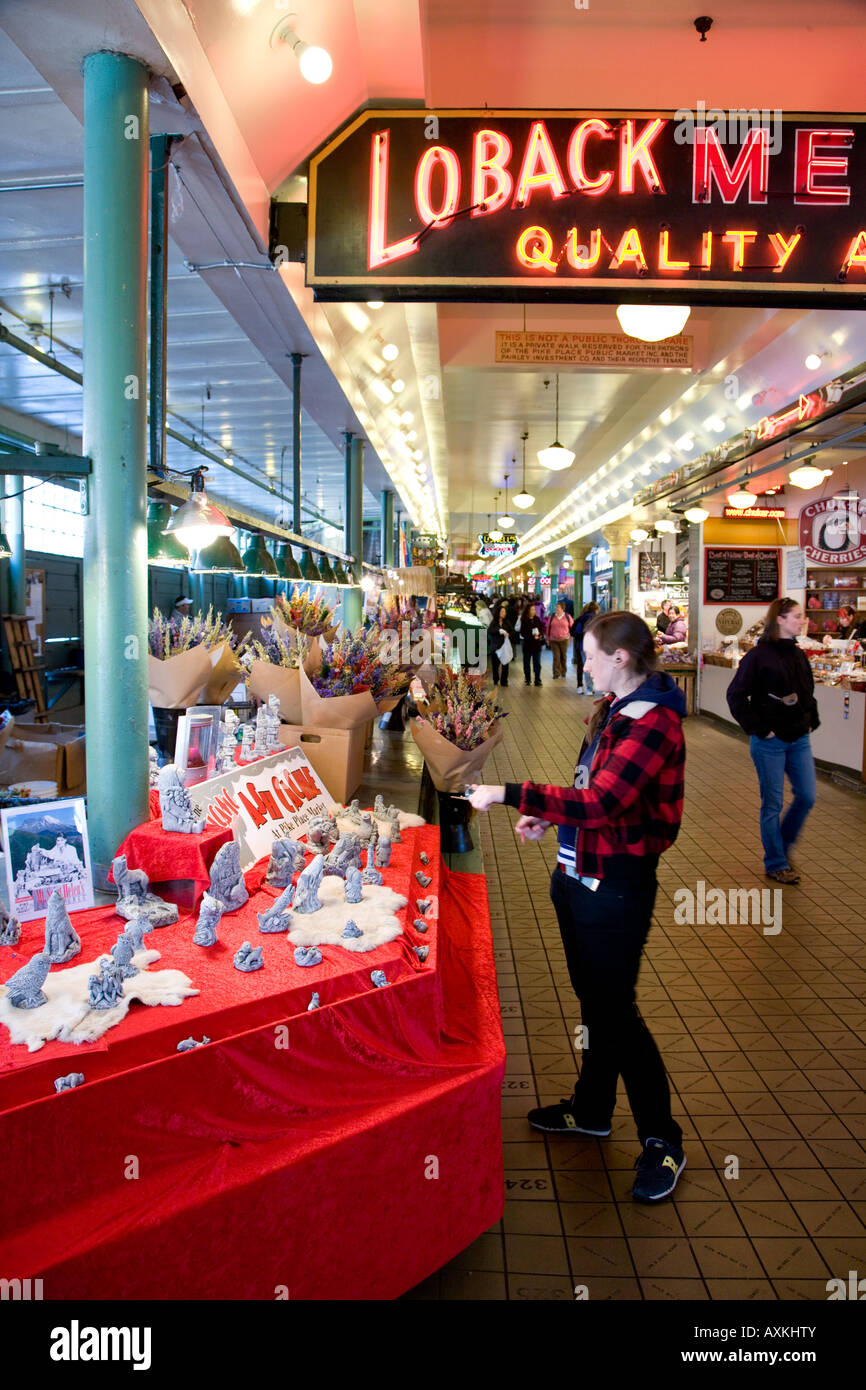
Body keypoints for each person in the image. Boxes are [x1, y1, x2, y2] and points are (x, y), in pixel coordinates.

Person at [468, 612, 688, 1202]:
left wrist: (509, 794)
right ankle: (592, 1107)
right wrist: (551, 816)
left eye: (589, 655)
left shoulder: (654, 723)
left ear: (620, 658)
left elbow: (606, 799)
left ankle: (663, 1139)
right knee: (595, 1002)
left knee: (616, 1012)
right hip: (579, 874)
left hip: (616, 885)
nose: (581, 663)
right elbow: (591, 786)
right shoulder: (616, 709)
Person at [726, 598, 818, 885]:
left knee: (807, 796)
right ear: (780, 619)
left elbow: (807, 692)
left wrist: (809, 720)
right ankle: (776, 862)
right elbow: (736, 695)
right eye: (798, 616)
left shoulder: (798, 655)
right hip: (770, 743)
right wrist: (760, 729)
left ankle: (783, 846)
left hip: (799, 738)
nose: (802, 621)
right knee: (772, 805)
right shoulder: (758, 656)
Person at [572, 600, 599, 692]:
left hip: (582, 646)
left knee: (585, 666)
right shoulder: (597, 619)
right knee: (596, 666)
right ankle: (599, 687)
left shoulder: (581, 618)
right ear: (596, 609)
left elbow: (576, 633)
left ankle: (588, 689)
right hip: (595, 647)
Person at [489, 600, 514, 687]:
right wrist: (499, 631)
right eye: (502, 611)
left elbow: (512, 631)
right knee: (495, 665)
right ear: (498, 612)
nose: (504, 613)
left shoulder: (507, 622)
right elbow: (490, 631)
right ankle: (496, 680)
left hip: (504, 647)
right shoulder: (494, 622)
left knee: (505, 664)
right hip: (495, 647)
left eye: (505, 612)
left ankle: (504, 681)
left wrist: (508, 634)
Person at [546, 600, 573, 679]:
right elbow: (548, 628)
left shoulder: (567, 617)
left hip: (564, 640)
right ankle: (556, 673)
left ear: (562, 608)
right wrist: (547, 638)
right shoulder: (552, 617)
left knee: (563, 656)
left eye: (558, 607)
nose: (556, 608)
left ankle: (563, 671)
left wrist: (569, 635)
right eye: (556, 607)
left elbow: (572, 627)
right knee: (556, 657)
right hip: (554, 640)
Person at [520, 603, 545, 686]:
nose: (534, 611)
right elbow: (522, 632)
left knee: (537, 663)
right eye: (532, 609)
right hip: (527, 645)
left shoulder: (537, 619)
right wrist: (531, 635)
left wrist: (539, 634)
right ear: (528, 611)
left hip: (536, 645)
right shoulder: (524, 620)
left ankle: (537, 679)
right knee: (526, 663)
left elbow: (542, 629)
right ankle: (527, 679)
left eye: (534, 609)